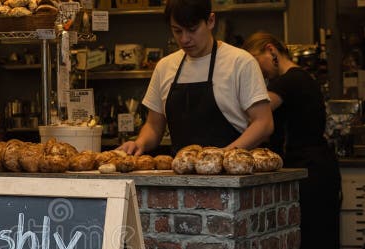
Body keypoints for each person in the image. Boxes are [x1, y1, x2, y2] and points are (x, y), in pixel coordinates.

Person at [243, 32, 342, 249]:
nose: (259, 74)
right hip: (317, 171)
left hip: (312, 174)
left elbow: (258, 118)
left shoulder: (290, 81)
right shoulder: (300, 80)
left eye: (257, 65)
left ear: (271, 50)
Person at [117, 0, 273, 156]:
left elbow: (264, 123)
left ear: (210, 21)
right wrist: (139, 143)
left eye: (192, 30)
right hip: (181, 169)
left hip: (231, 167)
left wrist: (222, 155)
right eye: (177, 31)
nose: (184, 39)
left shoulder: (240, 62)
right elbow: (153, 126)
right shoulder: (164, 67)